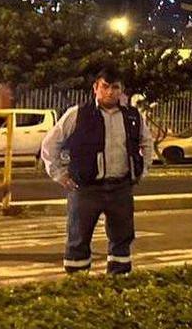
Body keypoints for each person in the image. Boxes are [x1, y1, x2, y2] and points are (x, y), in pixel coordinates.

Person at [40, 66, 153, 274]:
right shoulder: (78, 114)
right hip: (85, 189)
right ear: (96, 88)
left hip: (120, 188)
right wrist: (60, 175)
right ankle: (78, 284)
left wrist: (140, 171)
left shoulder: (132, 116)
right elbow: (50, 144)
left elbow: (147, 144)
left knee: (122, 238)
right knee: (78, 238)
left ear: (122, 90)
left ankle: (119, 281)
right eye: (105, 87)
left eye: (115, 87)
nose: (110, 92)